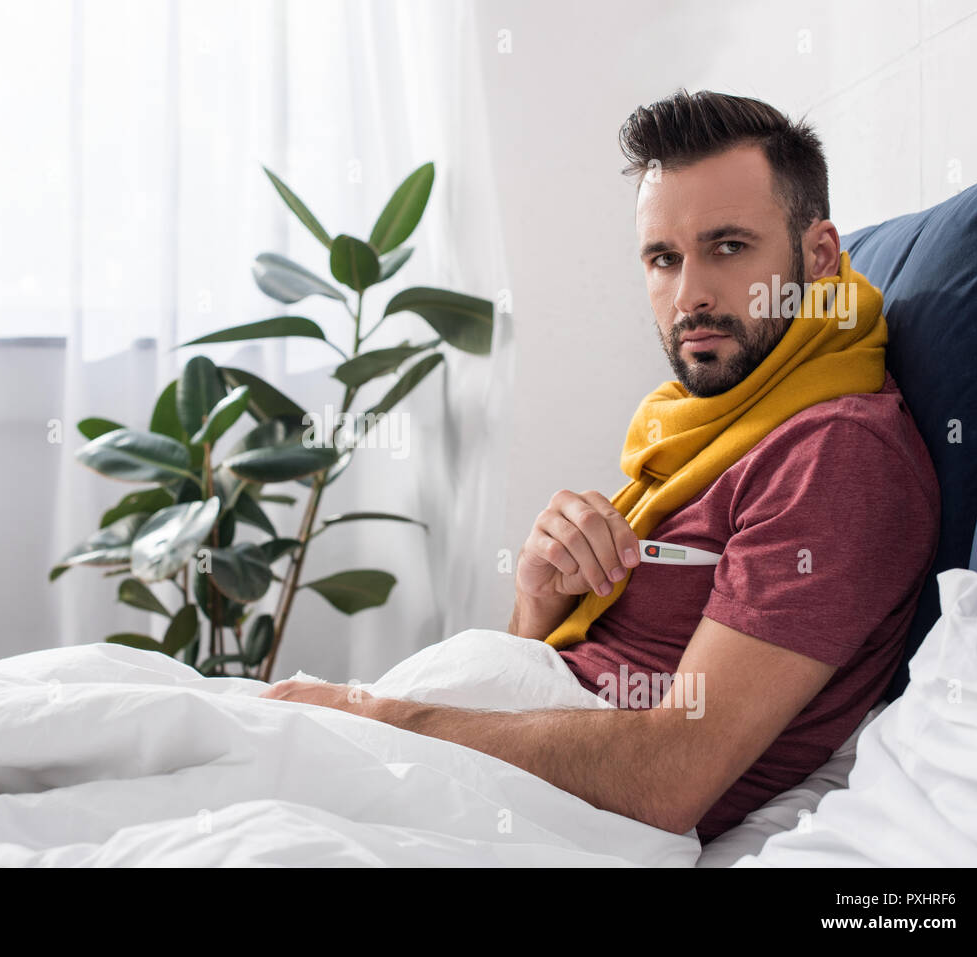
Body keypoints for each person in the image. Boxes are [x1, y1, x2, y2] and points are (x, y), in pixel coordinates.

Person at [262, 89, 940, 845]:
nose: (690, 296)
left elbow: (671, 775)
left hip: (515, 803)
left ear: (817, 255)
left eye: (728, 247)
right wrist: (536, 606)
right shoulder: (699, 427)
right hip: (467, 757)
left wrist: (381, 718)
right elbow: (572, 666)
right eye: (663, 258)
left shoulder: (836, 454)